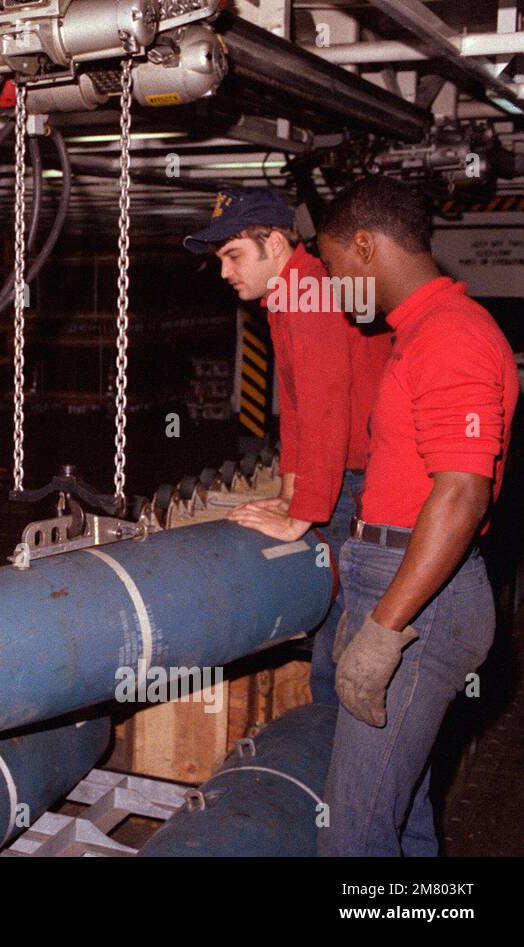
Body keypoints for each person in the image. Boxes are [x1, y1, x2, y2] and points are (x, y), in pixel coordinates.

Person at [313, 176, 517, 856]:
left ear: (365, 246)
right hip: (403, 582)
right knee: (401, 819)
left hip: (418, 598)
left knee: (353, 840)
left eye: (337, 269)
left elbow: (461, 495)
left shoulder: (451, 335)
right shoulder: (421, 330)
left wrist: (384, 629)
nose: (337, 291)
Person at [183, 188, 391, 704]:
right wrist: (291, 491)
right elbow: (296, 408)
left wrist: (304, 515)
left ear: (274, 243)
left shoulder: (310, 294)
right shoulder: (292, 293)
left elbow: (326, 409)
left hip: (368, 484)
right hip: (347, 477)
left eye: (233, 256)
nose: (226, 271)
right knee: (334, 629)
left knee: (341, 649)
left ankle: (335, 763)